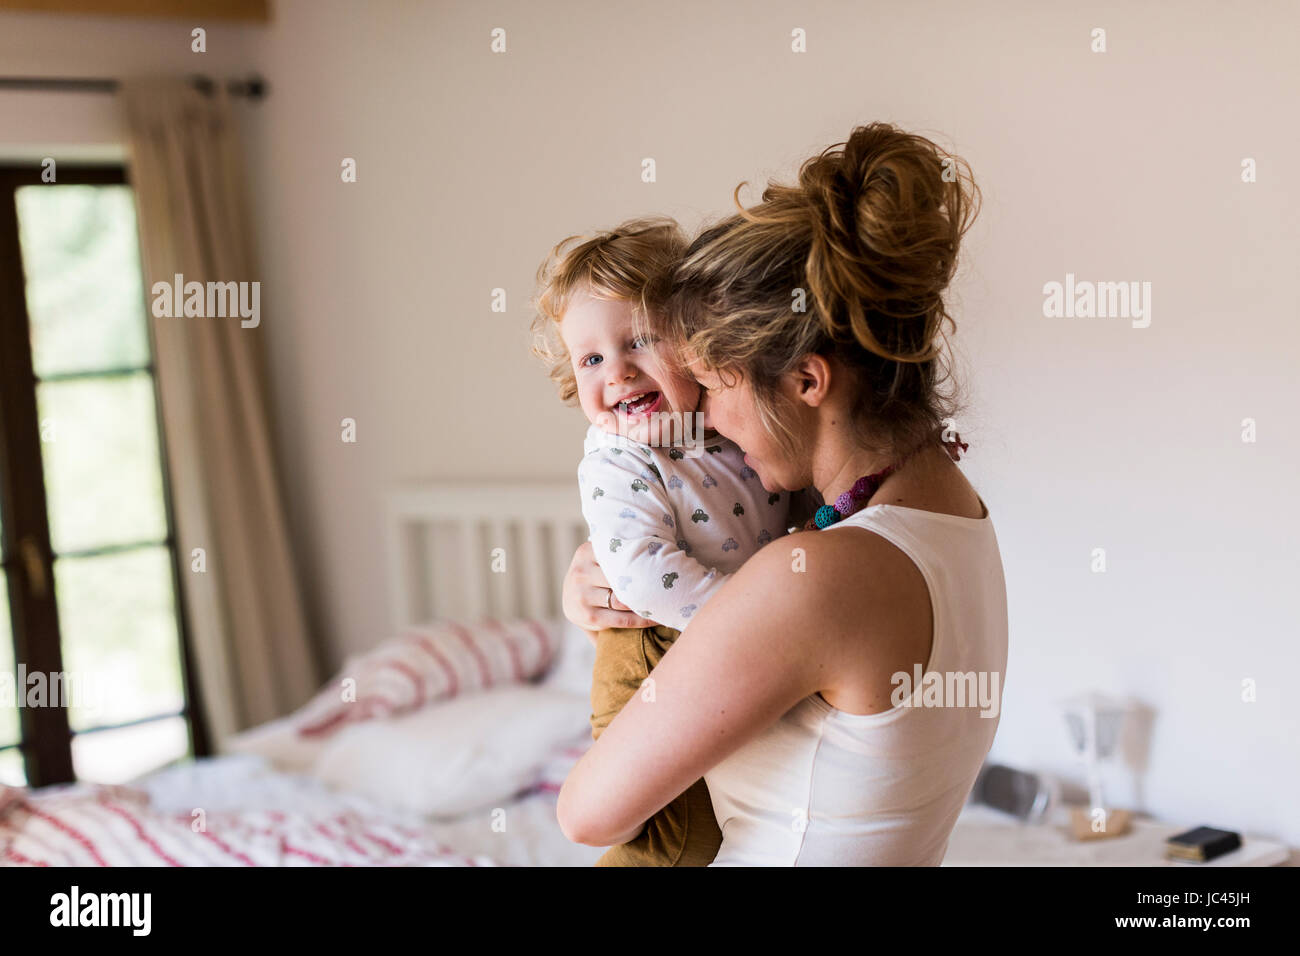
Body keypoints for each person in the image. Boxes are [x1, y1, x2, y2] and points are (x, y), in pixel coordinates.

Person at [556, 122, 1009, 865]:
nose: (698, 416)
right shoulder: (956, 514)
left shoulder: (812, 582)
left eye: (708, 384)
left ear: (805, 381)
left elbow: (587, 812)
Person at [531, 217, 795, 865]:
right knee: (668, 843)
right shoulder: (617, 460)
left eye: (640, 341)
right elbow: (643, 575)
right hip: (649, 650)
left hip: (712, 642)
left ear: (696, 345)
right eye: (591, 359)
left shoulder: (727, 432)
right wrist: (753, 621)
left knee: (720, 816)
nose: (617, 373)